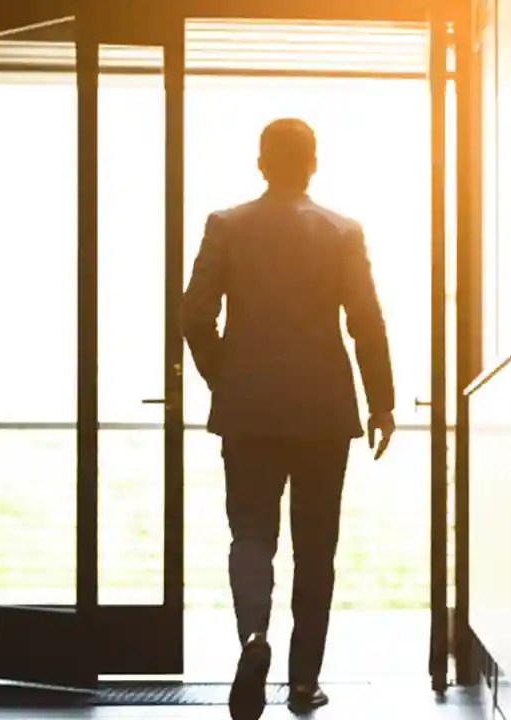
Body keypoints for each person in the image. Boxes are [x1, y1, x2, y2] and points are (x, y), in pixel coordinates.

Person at [179, 118, 396, 719]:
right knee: (315, 546)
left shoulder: (226, 227)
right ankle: (304, 683)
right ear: (313, 164)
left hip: (249, 412)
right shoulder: (343, 232)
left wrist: (228, 377)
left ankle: (254, 639)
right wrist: (381, 401)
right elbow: (366, 322)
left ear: (260, 163)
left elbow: (194, 315)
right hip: (324, 411)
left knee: (251, 533)